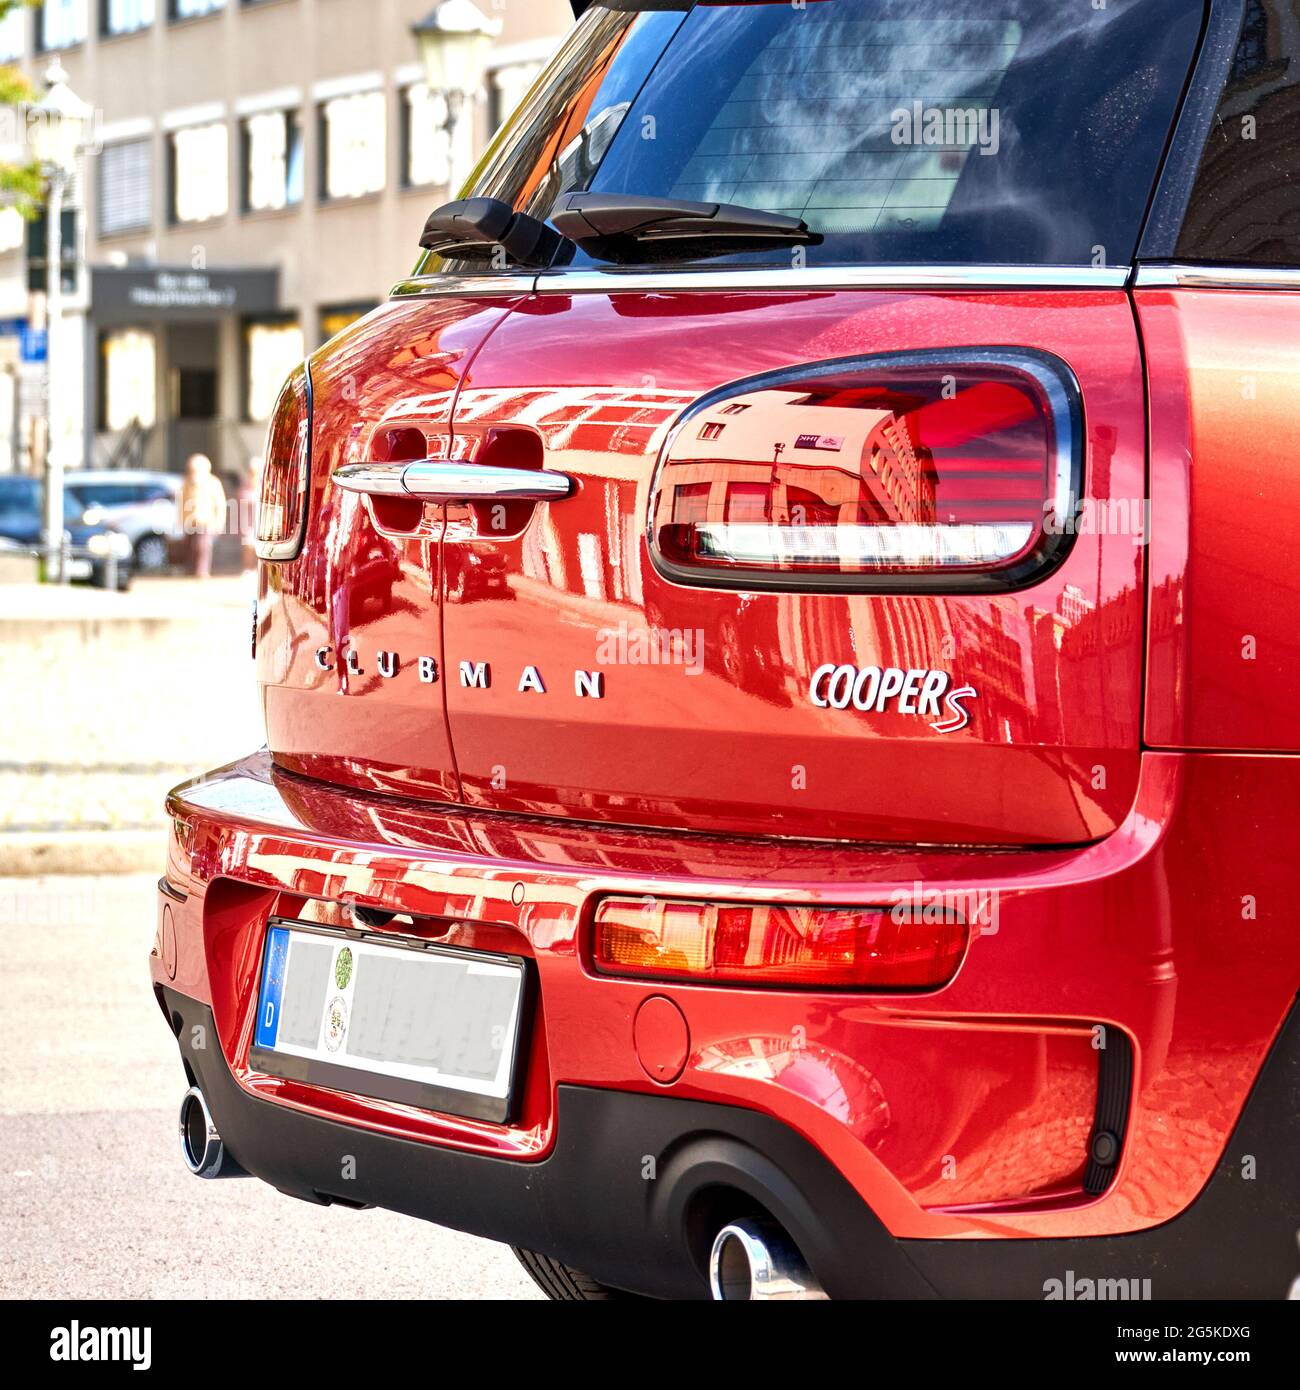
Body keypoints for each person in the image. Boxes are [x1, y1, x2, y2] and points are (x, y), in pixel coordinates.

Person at [179, 454, 227, 579]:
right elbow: (181, 502)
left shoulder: (213, 483)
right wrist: (181, 519)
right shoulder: (187, 482)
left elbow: (220, 504)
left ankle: (201, 571)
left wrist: (219, 521)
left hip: (206, 520)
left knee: (203, 546)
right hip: (190, 521)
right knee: (188, 546)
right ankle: (189, 570)